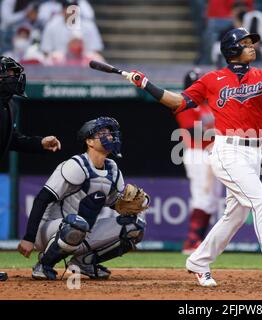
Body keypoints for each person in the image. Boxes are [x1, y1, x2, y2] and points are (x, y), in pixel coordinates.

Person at [126, 27, 262, 288]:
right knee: (260, 200)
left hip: (254, 152)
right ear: (232, 49)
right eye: (245, 43)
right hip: (227, 150)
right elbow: (178, 102)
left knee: (236, 215)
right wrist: (147, 85)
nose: (252, 46)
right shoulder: (211, 80)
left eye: (251, 42)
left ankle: (198, 261)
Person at [17, 117, 149, 280]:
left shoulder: (113, 169)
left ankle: (84, 262)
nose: (109, 137)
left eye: (110, 133)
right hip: (49, 230)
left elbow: (116, 204)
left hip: (83, 230)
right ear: (89, 141)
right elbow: (41, 199)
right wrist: (29, 238)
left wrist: (136, 204)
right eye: (103, 133)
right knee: (76, 224)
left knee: (135, 226)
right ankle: (44, 265)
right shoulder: (76, 165)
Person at [1, 56, 61, 282]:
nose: (14, 78)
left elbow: (11, 139)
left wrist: (39, 143)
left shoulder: (8, 105)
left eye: (14, 74)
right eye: (8, 74)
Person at [176, 69, 223, 255]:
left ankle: (199, 241)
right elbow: (192, 131)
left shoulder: (208, 104)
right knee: (202, 197)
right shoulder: (185, 105)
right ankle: (191, 241)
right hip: (198, 154)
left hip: (212, 153)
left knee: (212, 199)